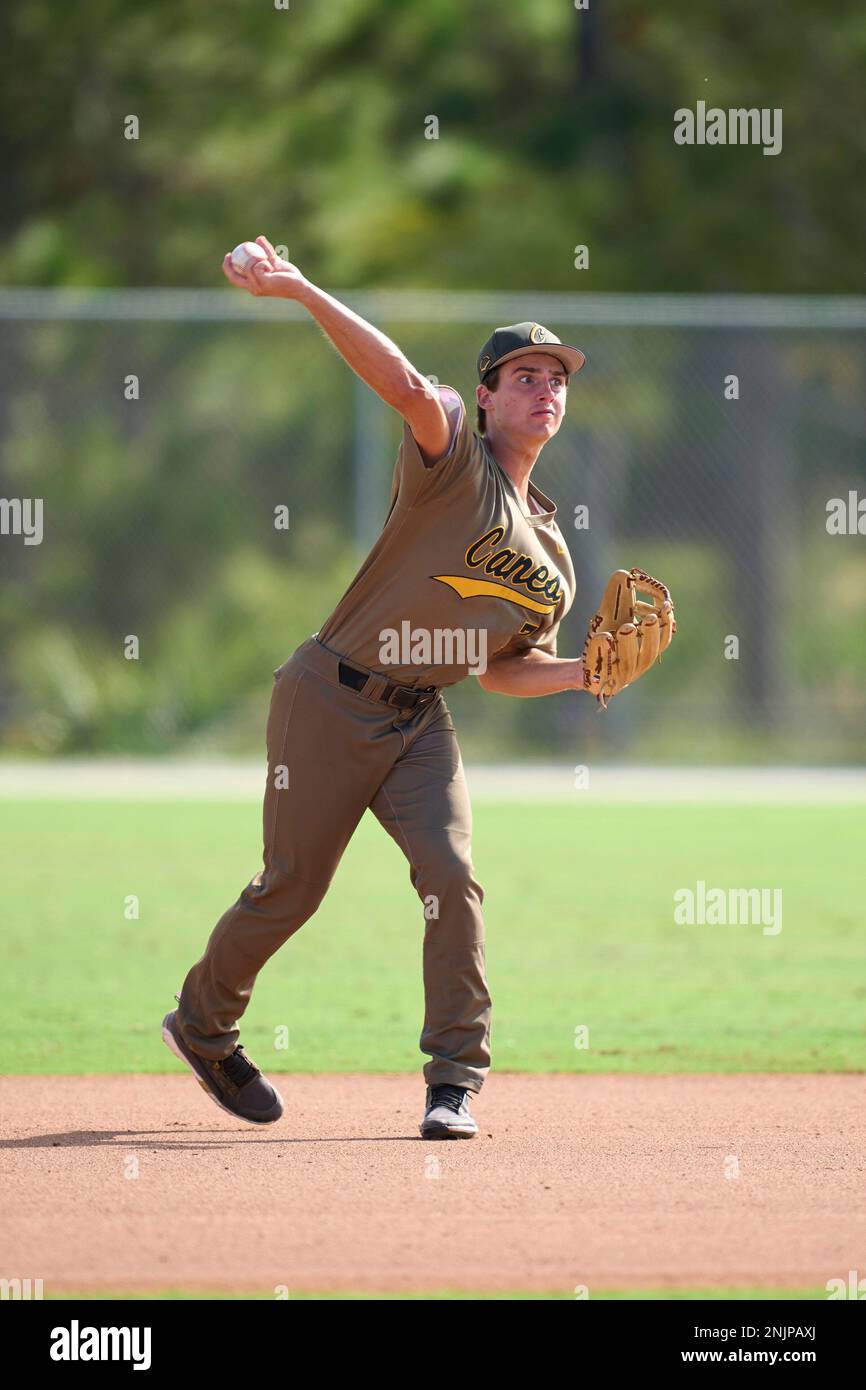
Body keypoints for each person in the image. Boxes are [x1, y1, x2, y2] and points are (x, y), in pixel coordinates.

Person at [161, 236, 593, 1139]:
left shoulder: (553, 557)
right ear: (485, 394)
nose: (543, 390)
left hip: (419, 720)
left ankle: (454, 1081)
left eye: (556, 378)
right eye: (523, 375)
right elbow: (401, 383)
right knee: (291, 889)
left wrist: (585, 672)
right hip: (330, 692)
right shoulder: (454, 459)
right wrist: (299, 288)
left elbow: (503, 669)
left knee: (452, 874)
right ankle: (202, 1026)